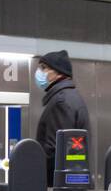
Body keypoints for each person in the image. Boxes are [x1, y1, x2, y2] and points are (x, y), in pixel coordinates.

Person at [33, 50, 89, 183]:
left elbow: (55, 150)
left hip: (57, 186)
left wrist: (34, 176)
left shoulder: (60, 102)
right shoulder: (72, 97)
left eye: (44, 68)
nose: (39, 72)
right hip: (70, 182)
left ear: (58, 73)